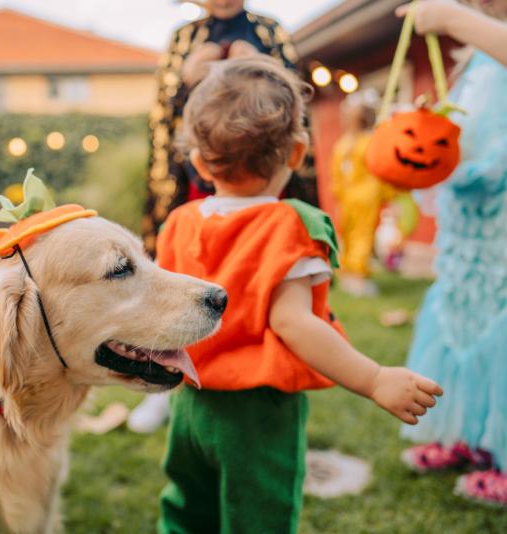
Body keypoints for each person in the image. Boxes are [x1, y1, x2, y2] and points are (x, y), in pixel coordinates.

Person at [155, 56, 442, 533]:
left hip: (190, 405)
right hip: (257, 413)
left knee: (187, 509)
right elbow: (293, 322)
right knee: (257, 517)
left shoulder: (180, 223)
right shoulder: (291, 226)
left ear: (201, 162)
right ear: (296, 152)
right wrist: (373, 379)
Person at [131, 0, 316, 433]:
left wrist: (263, 69)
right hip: (199, 179)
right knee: (189, 272)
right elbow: (164, 110)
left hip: (259, 180)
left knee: (254, 275)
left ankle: (257, 368)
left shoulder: (270, 32)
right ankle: (172, 374)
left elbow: (296, 97)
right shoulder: (183, 40)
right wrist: (188, 79)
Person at [394, 0, 507, 508]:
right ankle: (470, 435)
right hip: (469, 224)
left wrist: (454, 19)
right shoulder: (477, 59)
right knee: (466, 320)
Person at [330, 92, 395, 296]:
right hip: (357, 197)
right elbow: (376, 168)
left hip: (357, 196)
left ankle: (353, 273)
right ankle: (353, 274)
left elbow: (340, 174)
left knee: (356, 235)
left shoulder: (356, 141)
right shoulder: (357, 141)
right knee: (355, 235)